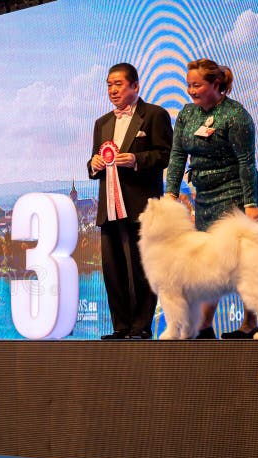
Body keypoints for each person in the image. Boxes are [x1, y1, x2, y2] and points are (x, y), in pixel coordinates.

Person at [164, 59, 258, 339]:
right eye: (188, 85)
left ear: (216, 85)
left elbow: (246, 162)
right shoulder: (186, 114)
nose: (190, 90)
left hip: (236, 193)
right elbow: (177, 155)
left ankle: (250, 323)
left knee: (242, 261)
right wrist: (171, 192)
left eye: (196, 85)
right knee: (208, 261)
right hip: (205, 196)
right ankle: (206, 324)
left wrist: (251, 205)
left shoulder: (235, 116)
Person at [89, 63, 173, 340]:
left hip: (141, 207)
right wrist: (94, 163)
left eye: (119, 84)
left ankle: (141, 326)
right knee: (113, 271)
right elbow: (92, 165)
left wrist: (137, 159)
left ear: (135, 86)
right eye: (109, 85)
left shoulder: (155, 115)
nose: (113, 90)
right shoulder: (102, 123)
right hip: (109, 208)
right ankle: (121, 327)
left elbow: (165, 155)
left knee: (141, 268)